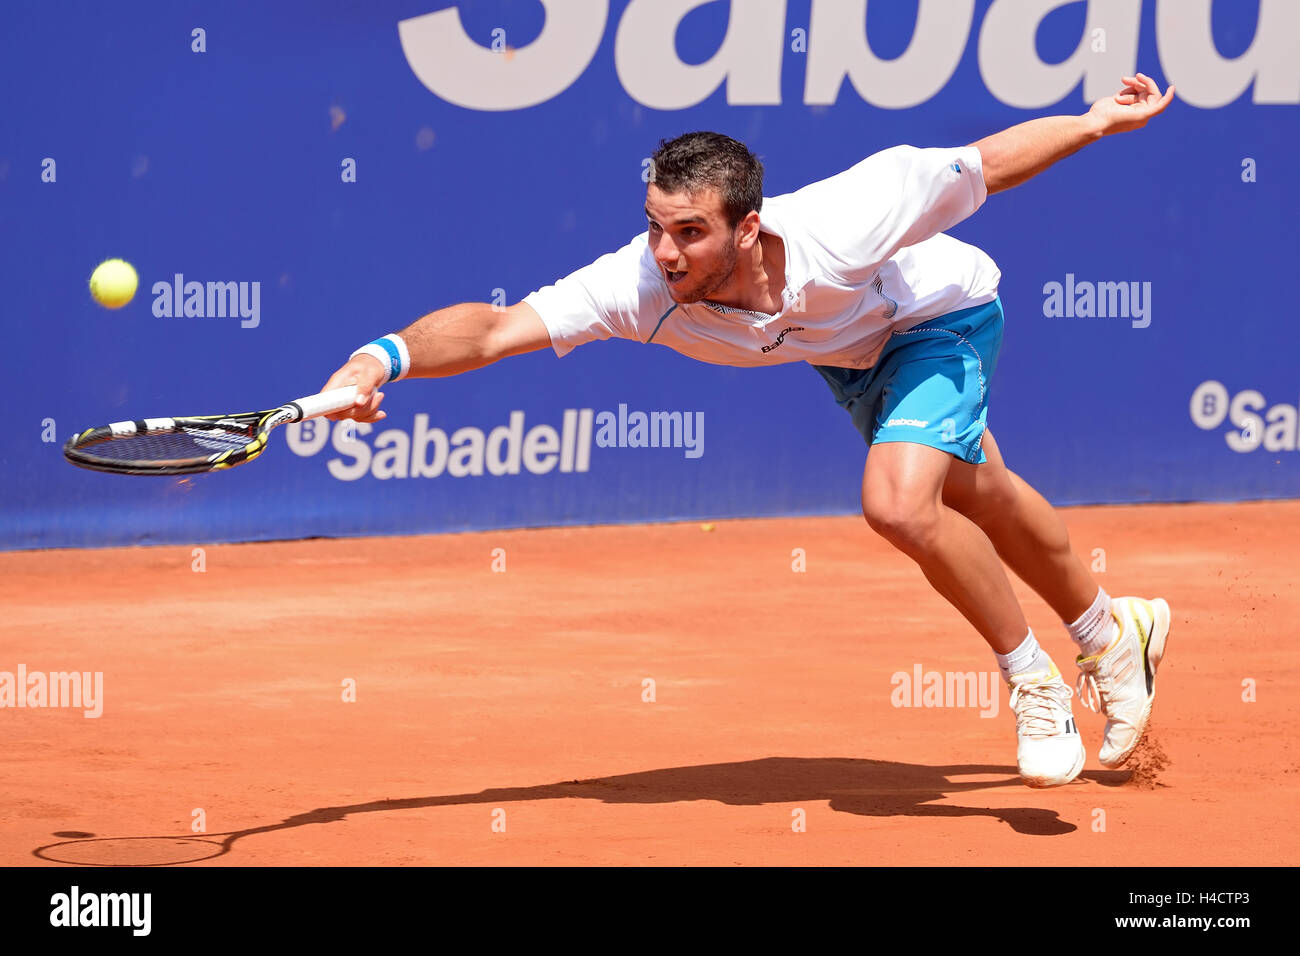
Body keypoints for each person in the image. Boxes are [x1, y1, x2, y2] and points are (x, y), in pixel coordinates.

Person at [322, 73, 1176, 788]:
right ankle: (1110, 632)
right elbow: (495, 329)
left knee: (897, 503)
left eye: (690, 232)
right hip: (847, 359)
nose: (666, 252)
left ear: (748, 226)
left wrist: (1098, 121)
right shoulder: (640, 284)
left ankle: (1034, 682)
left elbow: (985, 164)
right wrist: (377, 359)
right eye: (658, 226)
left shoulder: (852, 219)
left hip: (941, 318)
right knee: (973, 493)